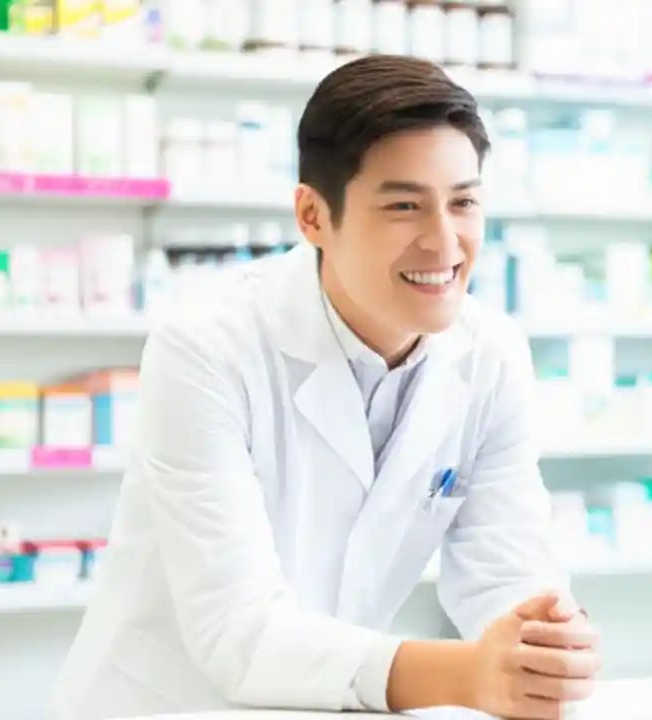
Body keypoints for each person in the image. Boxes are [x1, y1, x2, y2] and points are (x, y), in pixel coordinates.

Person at [54, 55, 600, 720]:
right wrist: (467, 674)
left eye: (463, 202)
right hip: (170, 706)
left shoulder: (491, 355)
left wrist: (544, 640)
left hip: (328, 704)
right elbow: (241, 633)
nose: (444, 241)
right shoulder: (206, 348)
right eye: (404, 205)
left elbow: (508, 571)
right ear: (313, 216)